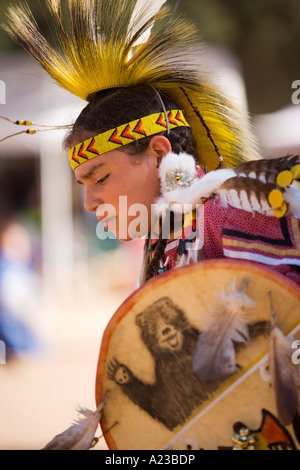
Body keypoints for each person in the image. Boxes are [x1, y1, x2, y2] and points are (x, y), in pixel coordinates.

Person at [3, 0, 300, 292]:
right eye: (84, 184)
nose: (89, 203)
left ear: (158, 153)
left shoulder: (228, 217)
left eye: (101, 178)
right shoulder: (165, 238)